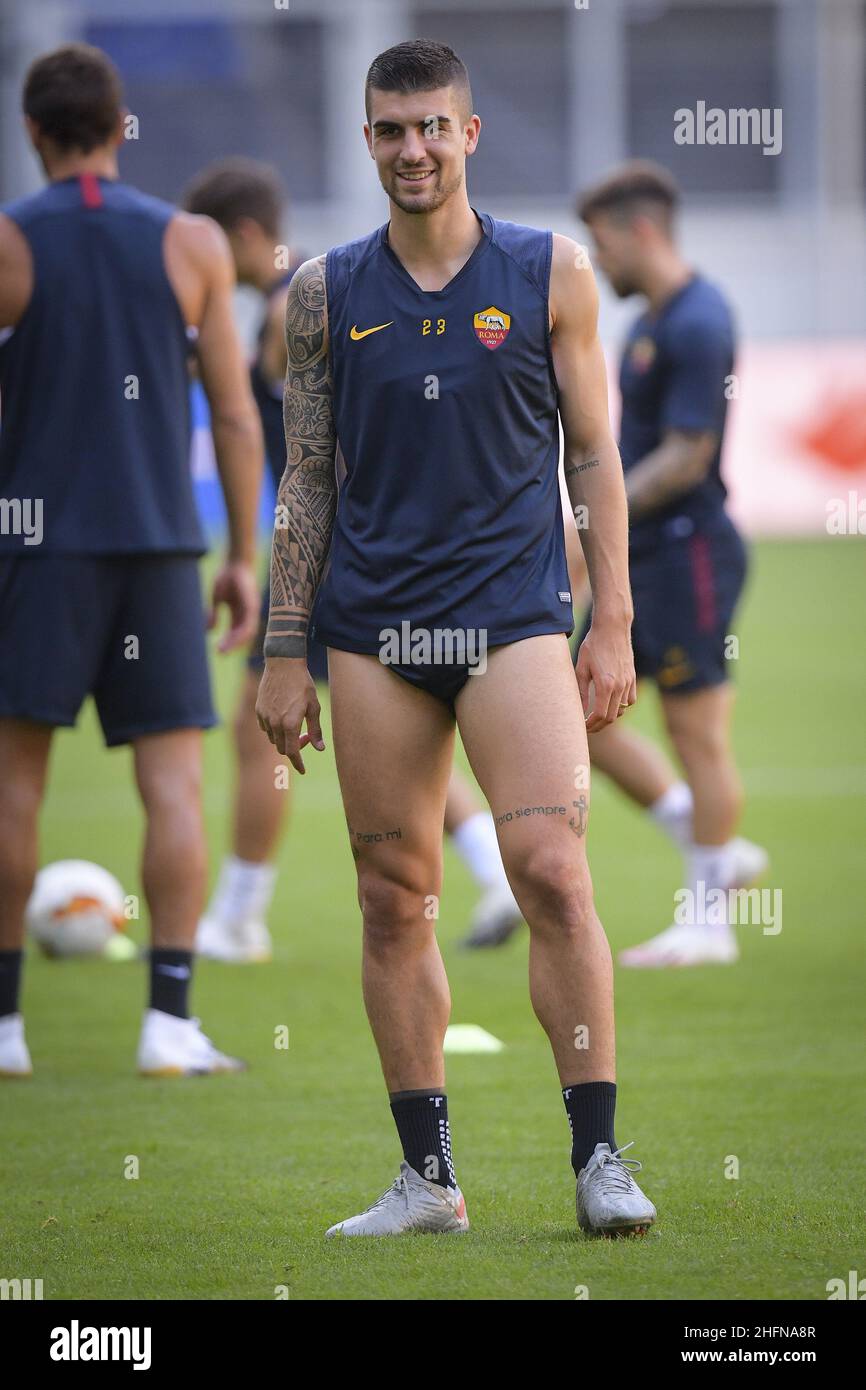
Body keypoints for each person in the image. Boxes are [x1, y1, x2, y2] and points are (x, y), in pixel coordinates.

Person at [256, 39, 656, 1237]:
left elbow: (591, 455)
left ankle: (598, 1161)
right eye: (389, 130)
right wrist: (285, 647)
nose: (411, 149)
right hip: (370, 631)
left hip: (514, 621)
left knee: (550, 874)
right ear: (367, 139)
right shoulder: (321, 293)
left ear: (468, 135)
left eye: (431, 127)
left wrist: (614, 618)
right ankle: (426, 1181)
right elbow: (309, 476)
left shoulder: (551, 273)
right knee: (393, 900)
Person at [183, 158, 524, 961]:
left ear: (241, 236)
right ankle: (495, 871)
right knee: (406, 742)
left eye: (206, 243)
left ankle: (238, 913)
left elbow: (256, 413)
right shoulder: (325, 294)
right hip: (370, 548)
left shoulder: (282, 315)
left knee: (253, 729)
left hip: (324, 553)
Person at [0, 43, 263, 1076]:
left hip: (35, 549)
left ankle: (7, 1030)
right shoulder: (193, 242)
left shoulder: (11, 242)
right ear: (121, 126)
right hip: (158, 544)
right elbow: (237, 416)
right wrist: (242, 554)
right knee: (174, 788)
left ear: (32, 134)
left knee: (17, 791)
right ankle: (169, 1023)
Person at [575, 161, 767, 968]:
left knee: (697, 734)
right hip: (642, 556)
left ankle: (708, 923)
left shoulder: (698, 321)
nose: (598, 262)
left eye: (601, 244)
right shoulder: (650, 323)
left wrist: (598, 506)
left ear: (639, 231)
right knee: (578, 715)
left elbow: (688, 456)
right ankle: (717, 849)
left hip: (689, 551)